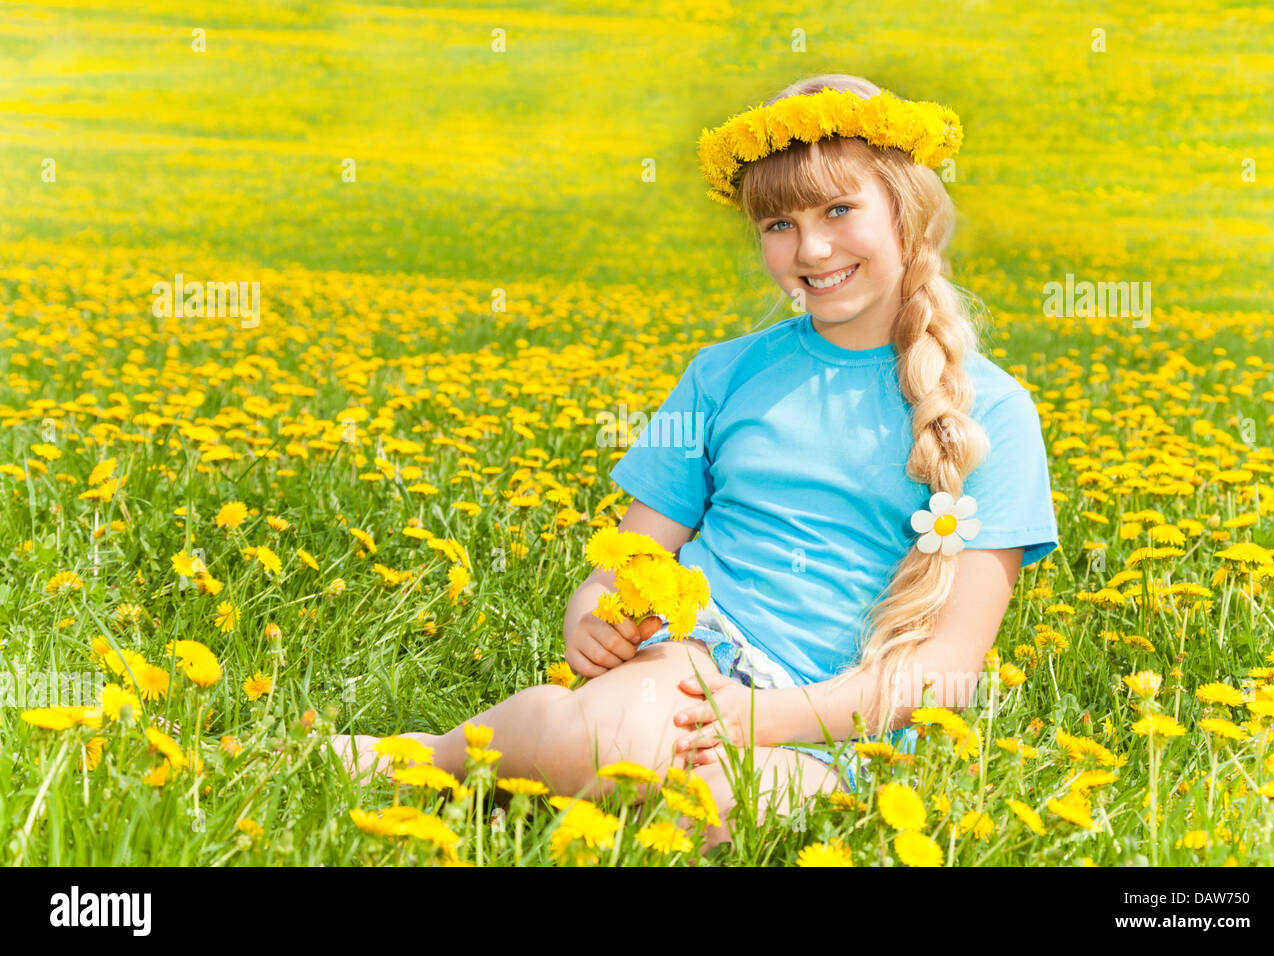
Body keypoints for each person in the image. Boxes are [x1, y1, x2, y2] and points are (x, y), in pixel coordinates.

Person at [331, 73, 1060, 852]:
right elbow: (632, 559)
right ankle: (425, 758)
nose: (811, 248)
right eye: (779, 223)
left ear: (907, 213)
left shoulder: (995, 415)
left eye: (840, 211)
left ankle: (532, 774)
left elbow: (946, 668)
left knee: (717, 819)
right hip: (696, 666)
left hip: (856, 729)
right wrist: (593, 619)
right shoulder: (723, 376)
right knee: (623, 756)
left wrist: (765, 721)